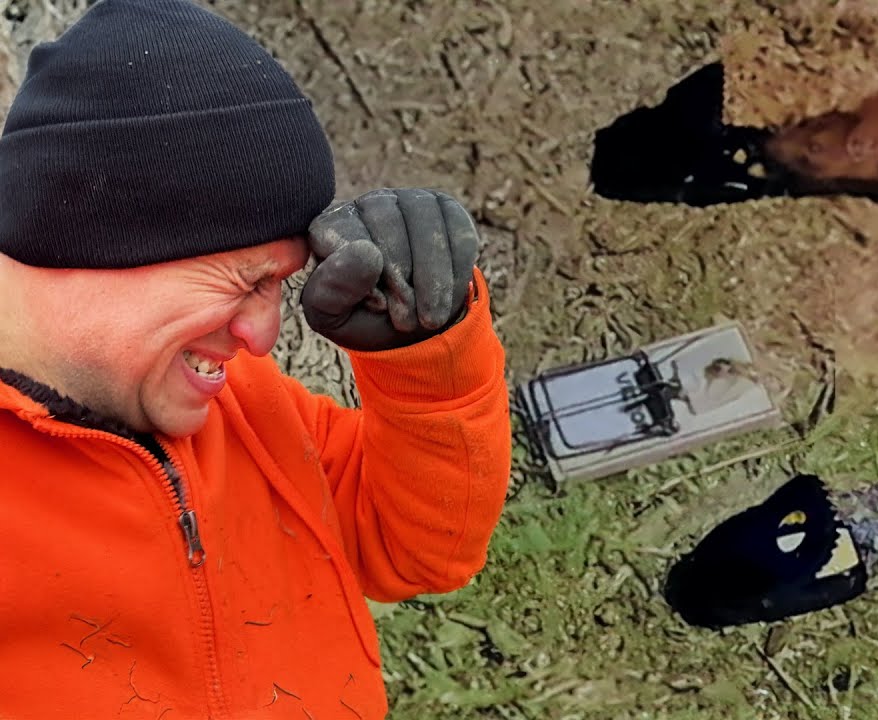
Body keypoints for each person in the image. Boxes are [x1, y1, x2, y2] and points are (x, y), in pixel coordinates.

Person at [0, 1, 511, 718]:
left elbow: (417, 548)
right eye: (245, 282)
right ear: (86, 240)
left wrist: (426, 364)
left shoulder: (246, 409)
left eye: (279, 284)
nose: (262, 337)